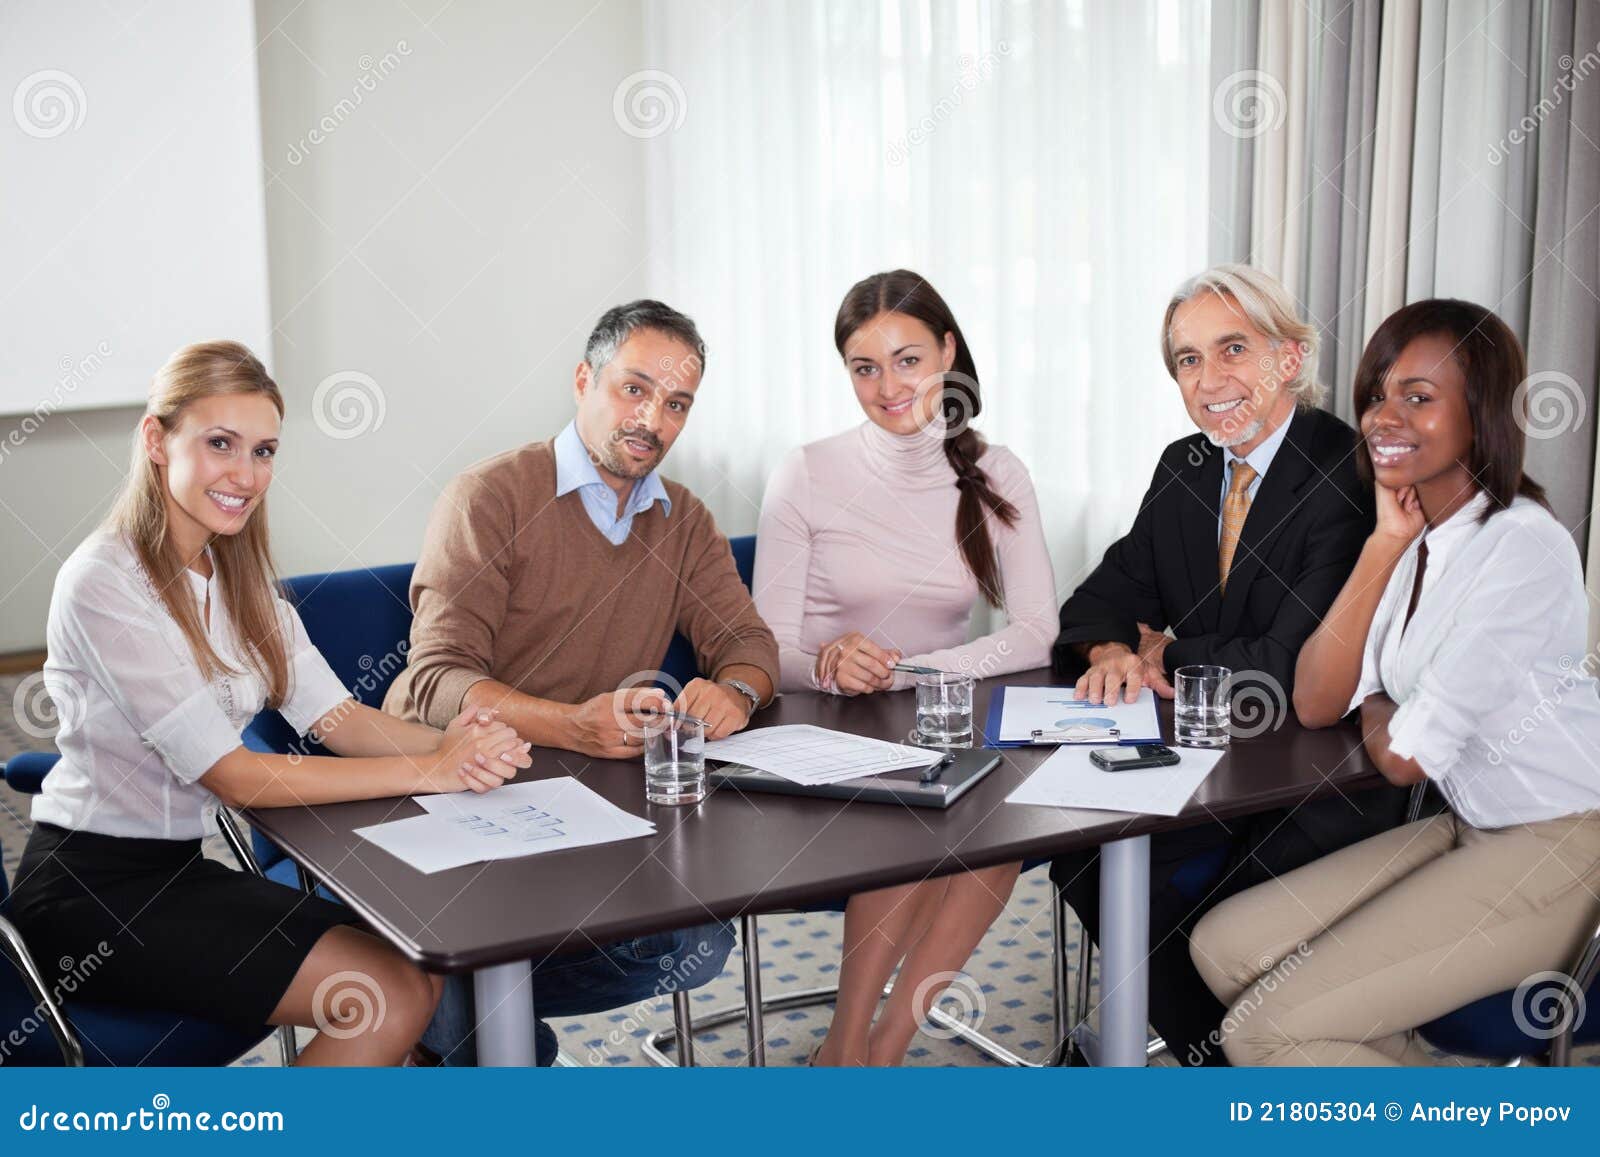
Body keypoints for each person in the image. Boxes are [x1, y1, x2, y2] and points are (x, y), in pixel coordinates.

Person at [6, 342, 532, 1066]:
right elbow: (239, 778)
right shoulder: (107, 580)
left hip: (177, 871)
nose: (245, 474)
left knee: (406, 972)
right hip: (88, 893)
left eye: (263, 450)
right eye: (220, 443)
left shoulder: (239, 575)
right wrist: (433, 767)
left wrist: (454, 741)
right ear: (156, 441)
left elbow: (339, 720)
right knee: (392, 990)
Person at [1190, 298, 1600, 1065]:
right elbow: (1316, 698)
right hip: (1472, 823)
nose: (1384, 414)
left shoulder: (1521, 546)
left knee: (1261, 1030)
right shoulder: (1421, 543)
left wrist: (1382, 703)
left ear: (1480, 415)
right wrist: (1384, 541)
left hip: (1565, 843)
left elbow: (1406, 755)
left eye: (1418, 395)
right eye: (1378, 394)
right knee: (1220, 946)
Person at [384, 300, 778, 1065]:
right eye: (634, 389)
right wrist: (572, 723)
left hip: (584, 809)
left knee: (697, 943)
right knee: (472, 968)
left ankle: (457, 1008)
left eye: (676, 404)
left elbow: (750, 643)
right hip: (451, 792)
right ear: (582, 381)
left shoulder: (685, 519)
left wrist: (737, 690)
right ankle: (470, 1016)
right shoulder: (490, 496)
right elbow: (435, 678)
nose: (651, 419)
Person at [1049, 264, 1401, 1065]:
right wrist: (1111, 650)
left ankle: (1232, 1061)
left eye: (1231, 349)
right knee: (1081, 852)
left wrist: (1163, 650)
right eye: (1187, 359)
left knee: (1193, 910)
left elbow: (1286, 664)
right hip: (1209, 766)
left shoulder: (1342, 470)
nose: (1209, 381)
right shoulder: (1186, 467)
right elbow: (1096, 597)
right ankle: (1216, 1065)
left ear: (1290, 357)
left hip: (1312, 782)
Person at [753, 270, 1057, 1065]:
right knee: (912, 819)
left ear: (948, 352)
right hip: (817, 730)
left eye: (908, 359)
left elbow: (1036, 632)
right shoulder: (808, 472)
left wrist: (912, 672)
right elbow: (761, 653)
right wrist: (826, 664)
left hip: (931, 721)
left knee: (996, 835)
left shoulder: (997, 473)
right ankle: (843, 1048)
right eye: (864, 367)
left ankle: (883, 1048)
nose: (888, 387)